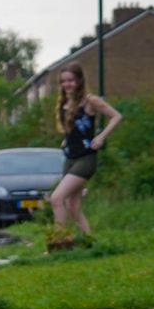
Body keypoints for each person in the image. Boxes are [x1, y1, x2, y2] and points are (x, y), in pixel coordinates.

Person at [49, 62, 122, 236]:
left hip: (86, 159)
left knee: (57, 198)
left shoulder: (90, 101)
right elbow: (74, 128)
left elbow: (117, 116)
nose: (67, 84)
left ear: (80, 81)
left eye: (71, 80)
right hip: (70, 158)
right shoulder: (64, 102)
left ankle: (59, 243)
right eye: (63, 81)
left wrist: (101, 137)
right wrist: (67, 140)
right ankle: (89, 243)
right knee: (72, 206)